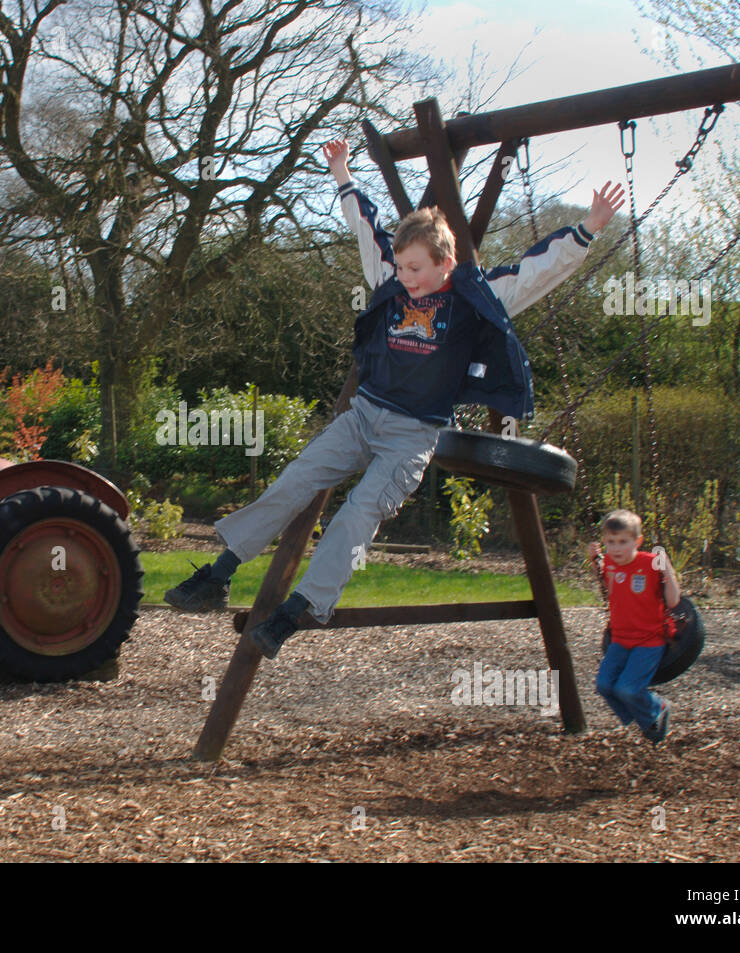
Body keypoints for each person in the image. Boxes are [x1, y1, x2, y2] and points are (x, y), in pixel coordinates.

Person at [165, 136, 625, 659]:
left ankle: (296, 611)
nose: (406, 279)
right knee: (296, 480)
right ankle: (219, 575)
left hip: (411, 436)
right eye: (402, 268)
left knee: (356, 516)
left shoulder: (476, 295)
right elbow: (366, 229)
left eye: (417, 270)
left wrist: (587, 229)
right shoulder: (391, 279)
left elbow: (535, 271)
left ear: (446, 263)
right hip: (362, 418)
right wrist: (342, 173)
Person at [589, 509, 681, 744]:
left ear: (637, 541)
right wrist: (594, 560)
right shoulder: (608, 561)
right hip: (620, 638)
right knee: (604, 685)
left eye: (623, 542)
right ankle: (647, 718)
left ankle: (657, 709)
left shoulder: (651, 563)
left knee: (627, 690)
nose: (616, 548)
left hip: (649, 640)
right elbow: (608, 585)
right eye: (611, 542)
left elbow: (672, 601)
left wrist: (667, 568)